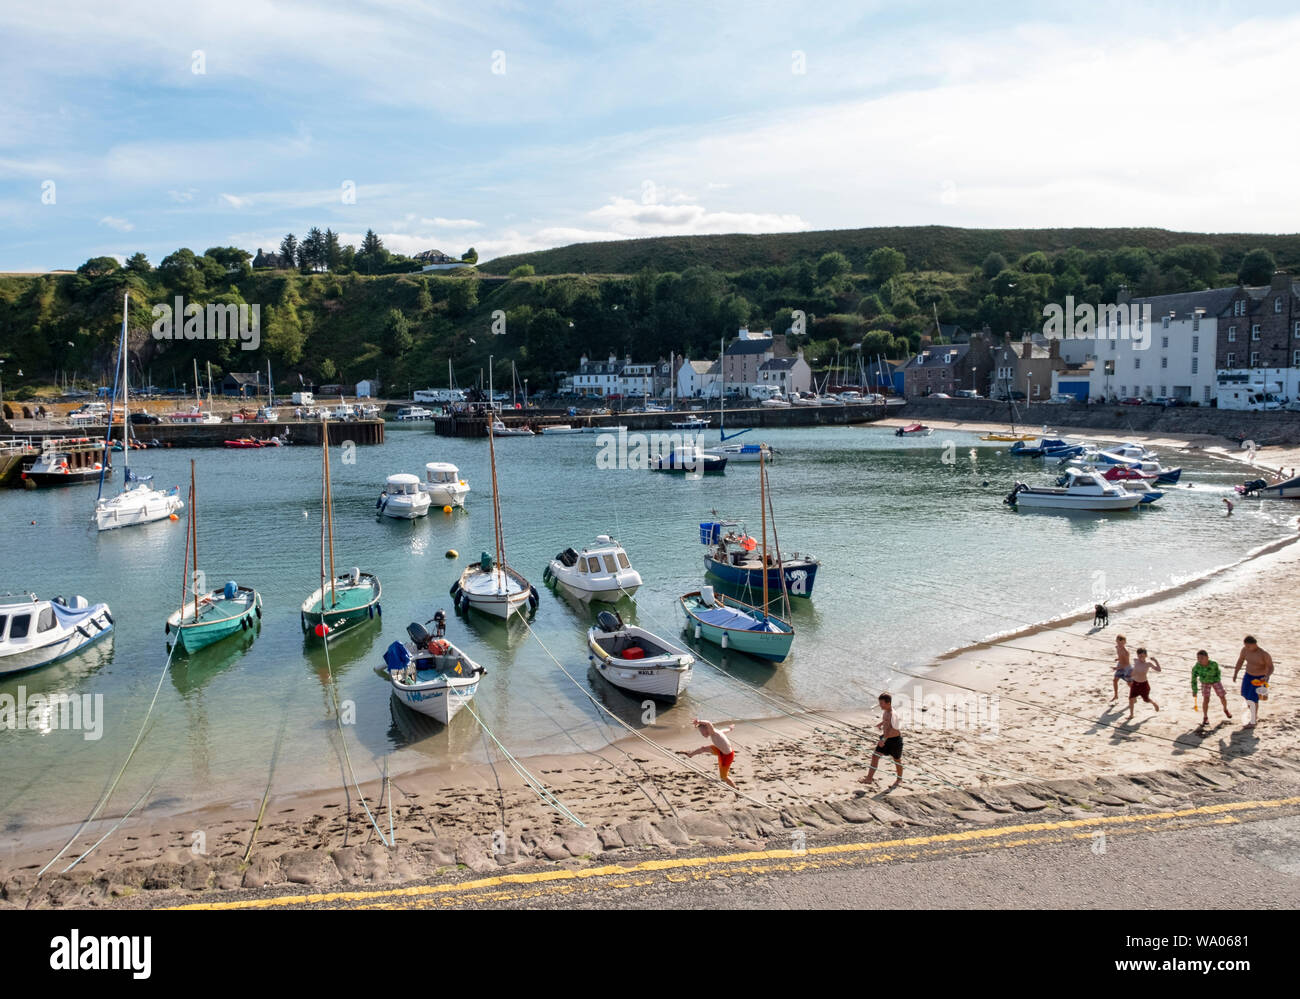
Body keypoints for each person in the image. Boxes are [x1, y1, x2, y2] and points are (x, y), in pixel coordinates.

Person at [859, 693, 903, 788]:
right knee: (875, 756)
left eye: (882, 703)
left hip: (894, 741)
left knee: (897, 760)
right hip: (886, 738)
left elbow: (893, 730)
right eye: (879, 703)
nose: (880, 705)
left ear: (888, 703)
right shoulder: (886, 711)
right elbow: (887, 721)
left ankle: (899, 779)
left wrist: (883, 739)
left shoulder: (893, 714)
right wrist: (881, 724)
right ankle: (869, 778)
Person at [679, 719, 737, 790]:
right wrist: (730, 729)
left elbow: (708, 723)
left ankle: (735, 788)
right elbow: (724, 731)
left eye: (702, 732)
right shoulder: (717, 732)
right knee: (703, 749)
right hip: (719, 750)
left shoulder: (713, 733)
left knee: (724, 777)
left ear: (708, 729)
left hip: (727, 756)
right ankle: (690, 754)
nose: (702, 734)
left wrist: (698, 721)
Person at [1232, 636, 1275, 728]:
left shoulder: (1263, 654)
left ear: (1254, 644)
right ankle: (1254, 715)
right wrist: (1235, 672)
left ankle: (1253, 720)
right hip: (1248, 675)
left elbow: (1271, 667)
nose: (1247, 648)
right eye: (1245, 646)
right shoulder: (1245, 650)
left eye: (1248, 646)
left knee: (1253, 698)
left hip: (1259, 678)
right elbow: (1240, 660)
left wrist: (1267, 676)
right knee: (1245, 694)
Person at [1191, 650, 1231, 726]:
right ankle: (1205, 717)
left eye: (1202, 658)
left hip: (1215, 681)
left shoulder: (1214, 664)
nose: (1199, 660)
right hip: (1205, 682)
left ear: (1207, 657)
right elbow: (1193, 679)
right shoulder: (1196, 667)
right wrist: (1194, 690)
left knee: (1222, 696)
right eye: (1198, 658)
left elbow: (1218, 672)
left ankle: (1225, 709)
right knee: (1206, 699)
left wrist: (1216, 680)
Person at [1126, 647, 1161, 720]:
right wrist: (1130, 675)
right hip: (1135, 683)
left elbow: (1159, 670)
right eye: (1139, 656)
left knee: (1146, 700)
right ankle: (1131, 715)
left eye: (1142, 656)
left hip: (1144, 684)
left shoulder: (1148, 664)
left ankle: (1154, 703)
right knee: (1131, 699)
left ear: (1146, 655)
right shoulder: (1136, 661)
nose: (1140, 657)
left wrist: (1155, 661)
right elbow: (1134, 670)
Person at [1111, 635, 1133, 701]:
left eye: (1122, 643)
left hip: (1127, 668)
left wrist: (1117, 668)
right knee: (1115, 680)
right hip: (1120, 665)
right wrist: (1118, 659)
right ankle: (1116, 695)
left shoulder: (1126, 652)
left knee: (1129, 684)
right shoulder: (1117, 647)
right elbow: (1120, 655)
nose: (1119, 644)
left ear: (1125, 642)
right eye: (1118, 642)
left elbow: (1126, 663)